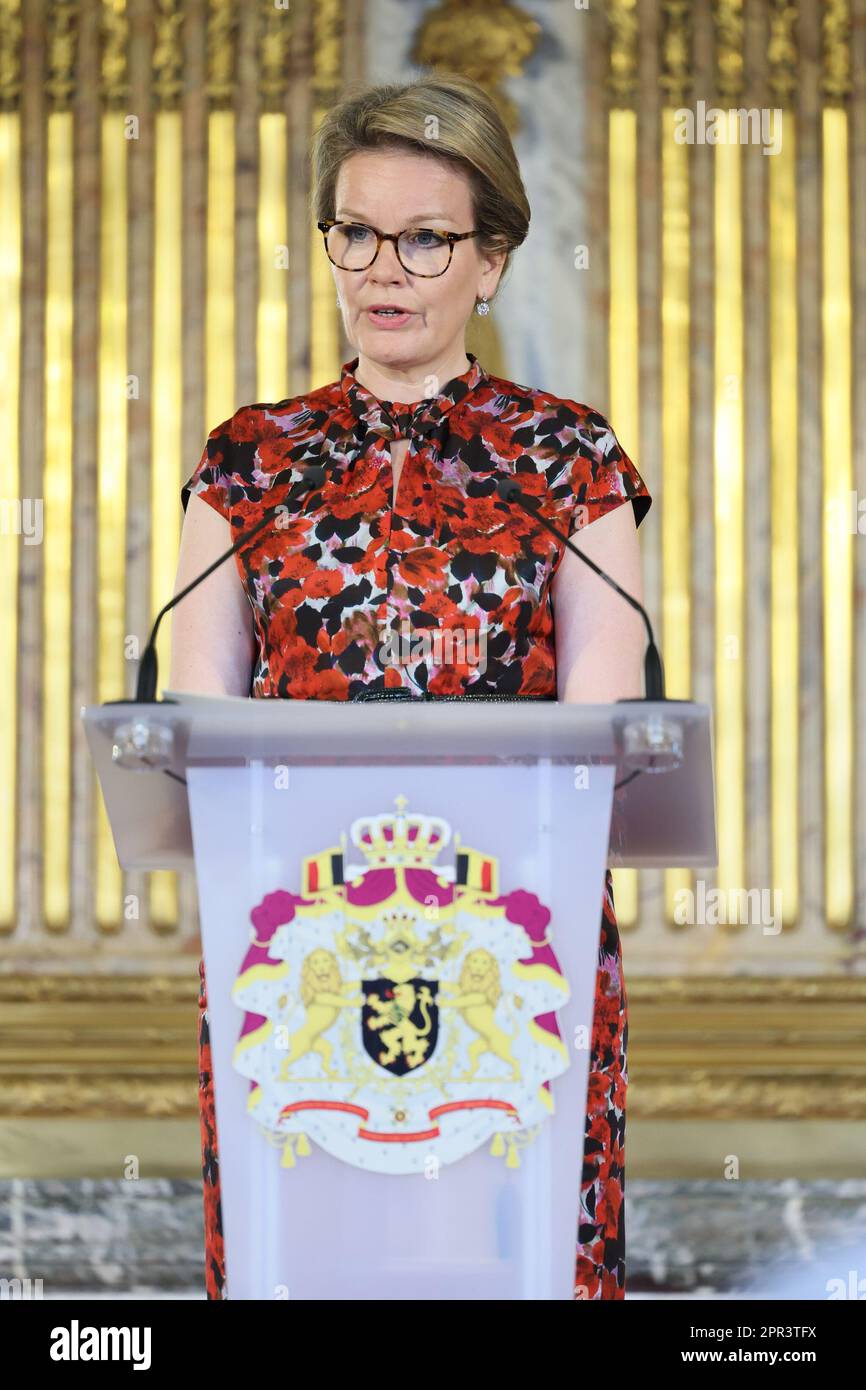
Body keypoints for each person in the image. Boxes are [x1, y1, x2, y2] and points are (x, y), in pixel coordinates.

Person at [170, 72, 652, 1301]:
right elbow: (192, 713)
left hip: (512, 958)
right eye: (355, 231)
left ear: (489, 260)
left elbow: (603, 721)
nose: (383, 266)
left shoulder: (564, 458)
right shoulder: (250, 460)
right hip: (297, 950)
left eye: (426, 237)